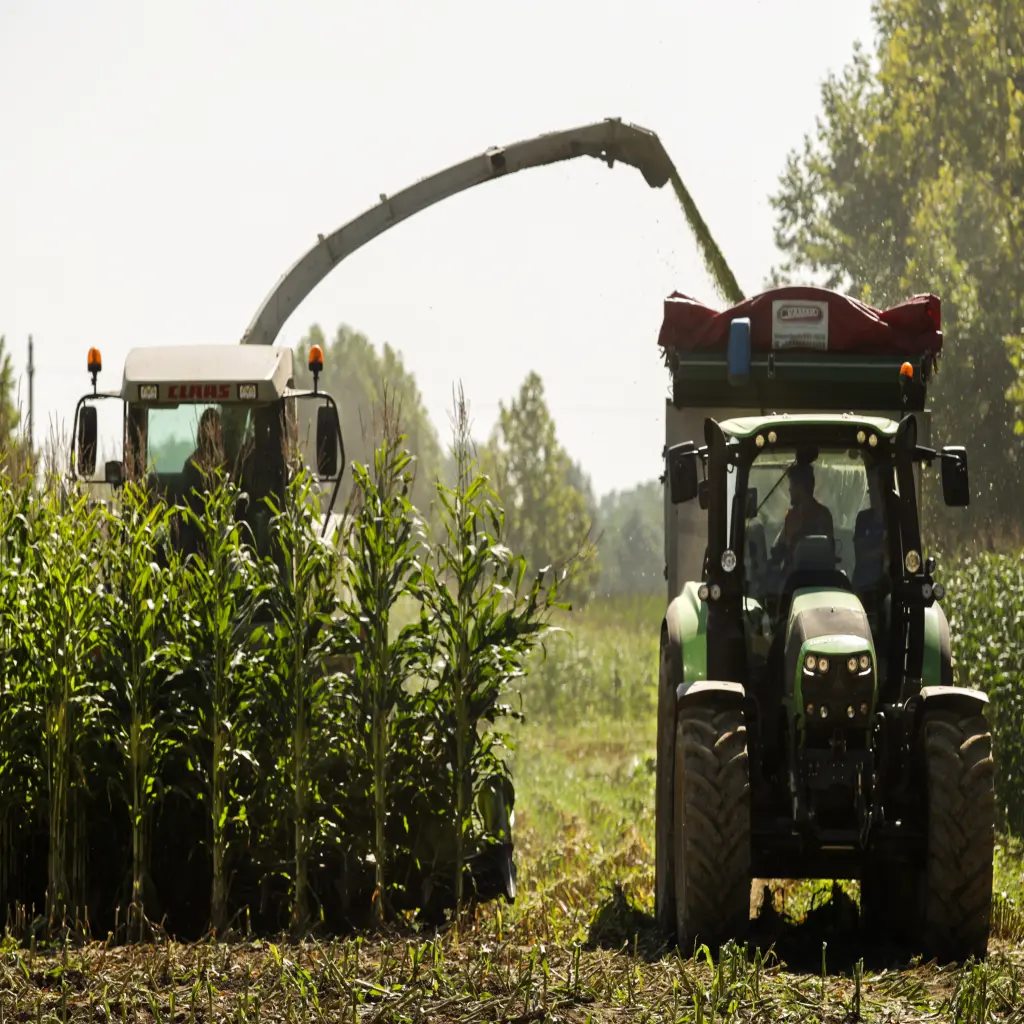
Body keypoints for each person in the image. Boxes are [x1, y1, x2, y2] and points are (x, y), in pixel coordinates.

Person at [771, 461, 835, 568]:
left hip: (810, 578)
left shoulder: (822, 516)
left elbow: (827, 553)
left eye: (791, 485)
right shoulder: (791, 517)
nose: (789, 489)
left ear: (800, 487)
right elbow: (779, 549)